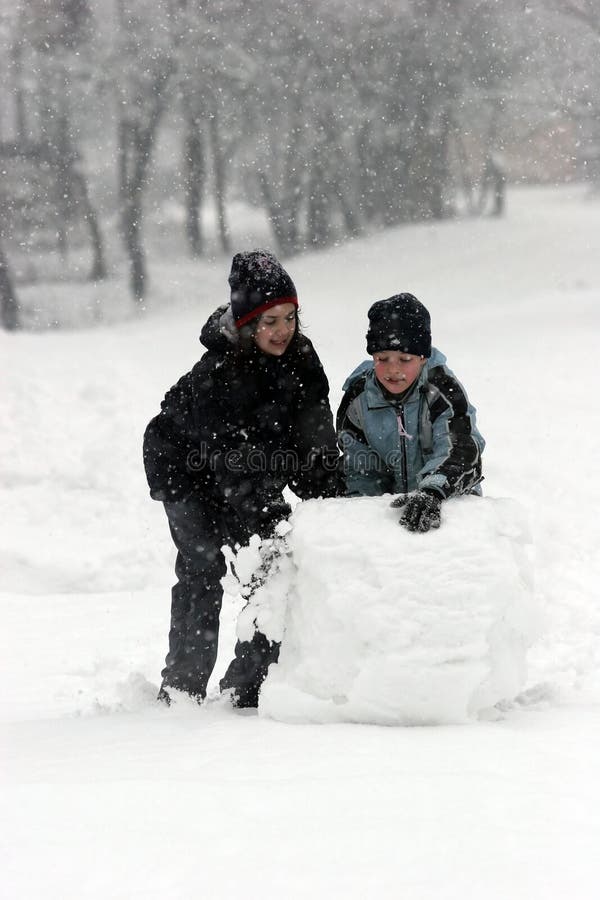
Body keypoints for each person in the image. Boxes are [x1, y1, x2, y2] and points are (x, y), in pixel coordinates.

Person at [143, 250, 339, 706]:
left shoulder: (302, 357)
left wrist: (331, 497)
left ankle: (247, 688)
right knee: (203, 566)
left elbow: (314, 436)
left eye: (290, 317)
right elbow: (232, 460)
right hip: (185, 470)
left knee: (271, 567)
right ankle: (182, 689)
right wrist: (267, 513)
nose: (283, 330)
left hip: (249, 466)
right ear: (248, 322)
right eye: (270, 320)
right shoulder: (219, 372)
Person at [337, 292, 484, 532]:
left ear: (423, 358)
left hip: (448, 501)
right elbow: (360, 468)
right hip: (395, 514)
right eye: (382, 358)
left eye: (404, 359)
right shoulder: (359, 400)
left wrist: (433, 490)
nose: (393, 369)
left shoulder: (442, 390)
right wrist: (366, 517)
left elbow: (461, 448)